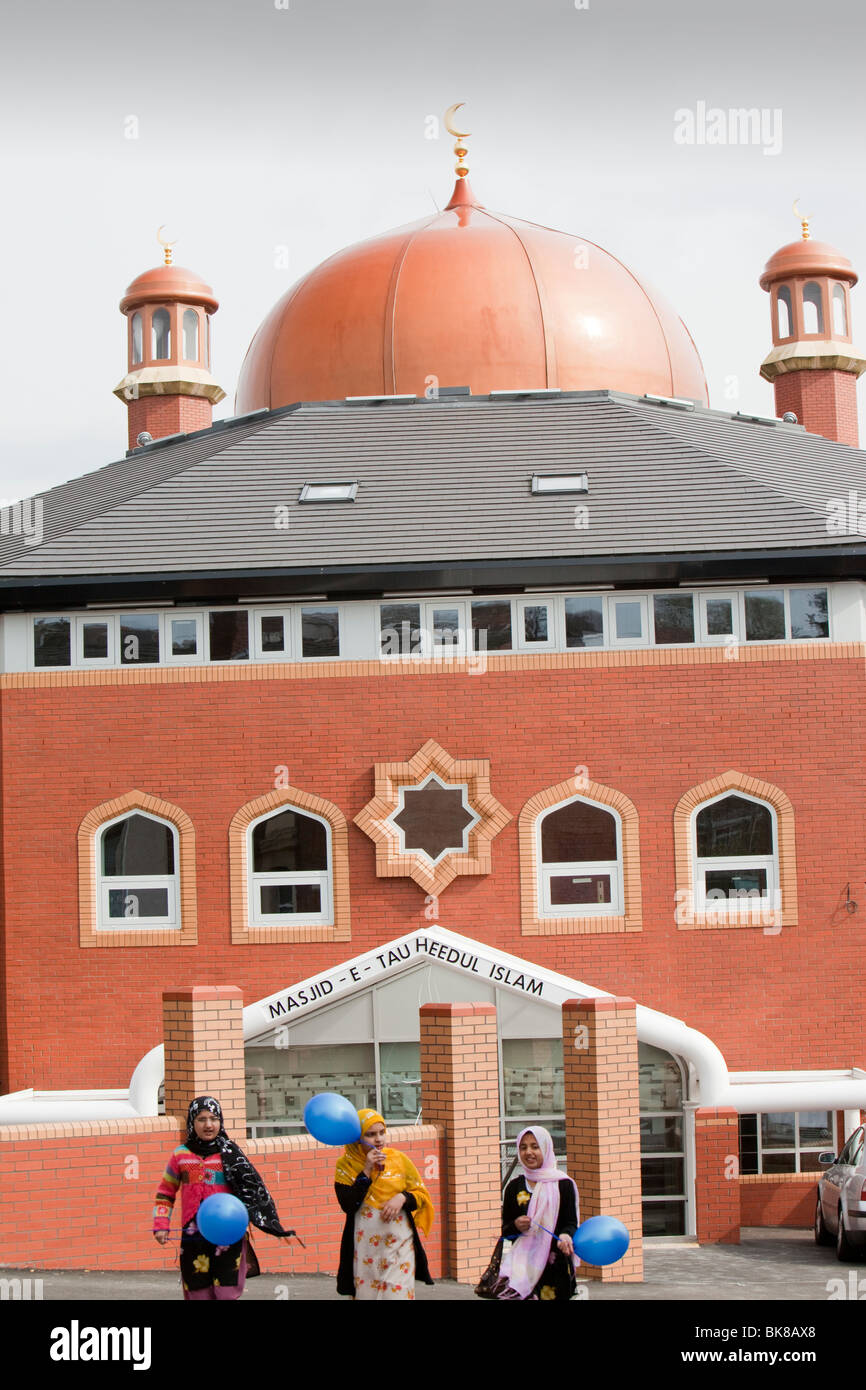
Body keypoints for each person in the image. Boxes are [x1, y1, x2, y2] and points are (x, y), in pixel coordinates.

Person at [153, 1095, 293, 1300]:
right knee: (197, 1292)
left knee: (226, 1293)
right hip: (194, 1238)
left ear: (221, 1121)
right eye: (201, 1119)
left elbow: (251, 1189)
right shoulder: (180, 1156)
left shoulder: (231, 1154)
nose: (208, 1125)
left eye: (213, 1118)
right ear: (192, 1122)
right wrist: (160, 1224)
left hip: (228, 1236)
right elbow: (165, 1192)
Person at [334, 1107, 434, 1300]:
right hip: (365, 1249)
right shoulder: (345, 1165)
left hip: (399, 1243)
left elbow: (421, 1194)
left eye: (382, 1133)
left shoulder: (399, 1159)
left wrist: (403, 1197)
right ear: (358, 1139)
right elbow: (347, 1204)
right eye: (370, 1135)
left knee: (397, 1294)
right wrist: (366, 1171)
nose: (378, 1139)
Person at [494, 1126, 579, 1300]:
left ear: (546, 1148)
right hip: (522, 1270)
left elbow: (570, 1223)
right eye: (523, 1147)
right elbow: (506, 1232)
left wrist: (566, 1236)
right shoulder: (513, 1188)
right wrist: (516, 1225)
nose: (529, 1152)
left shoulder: (563, 1185)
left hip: (556, 1269)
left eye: (535, 1146)